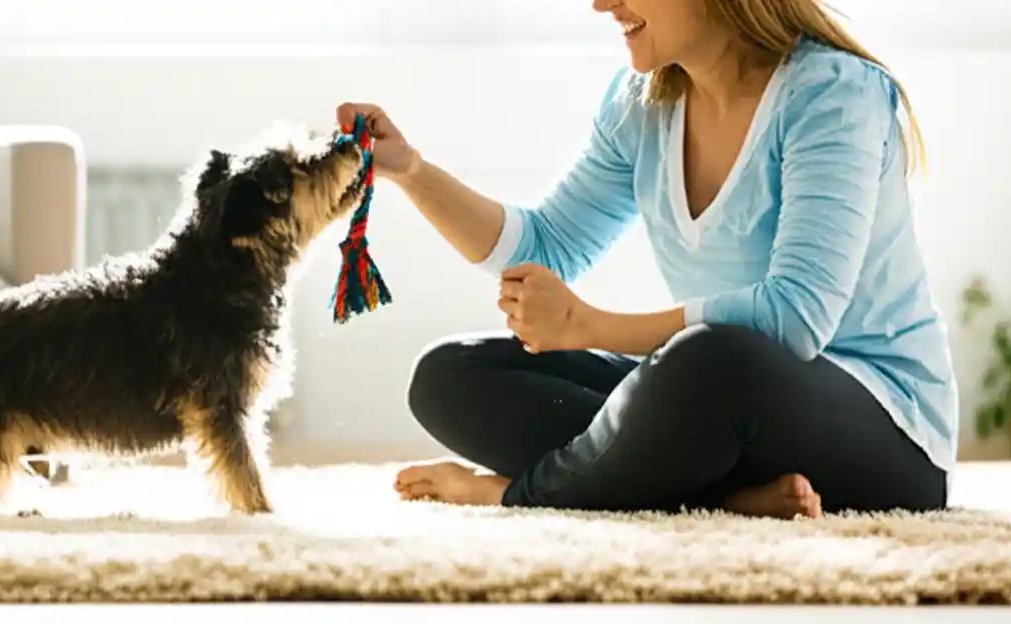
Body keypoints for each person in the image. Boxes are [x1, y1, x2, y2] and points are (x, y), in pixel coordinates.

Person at [335, 0, 957, 519]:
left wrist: (589, 327)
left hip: (884, 432)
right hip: (708, 405)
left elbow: (793, 319)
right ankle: (726, 498)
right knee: (450, 376)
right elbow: (544, 245)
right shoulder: (642, 103)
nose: (602, 3)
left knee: (707, 360)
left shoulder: (833, 91)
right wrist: (411, 173)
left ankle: (514, 494)